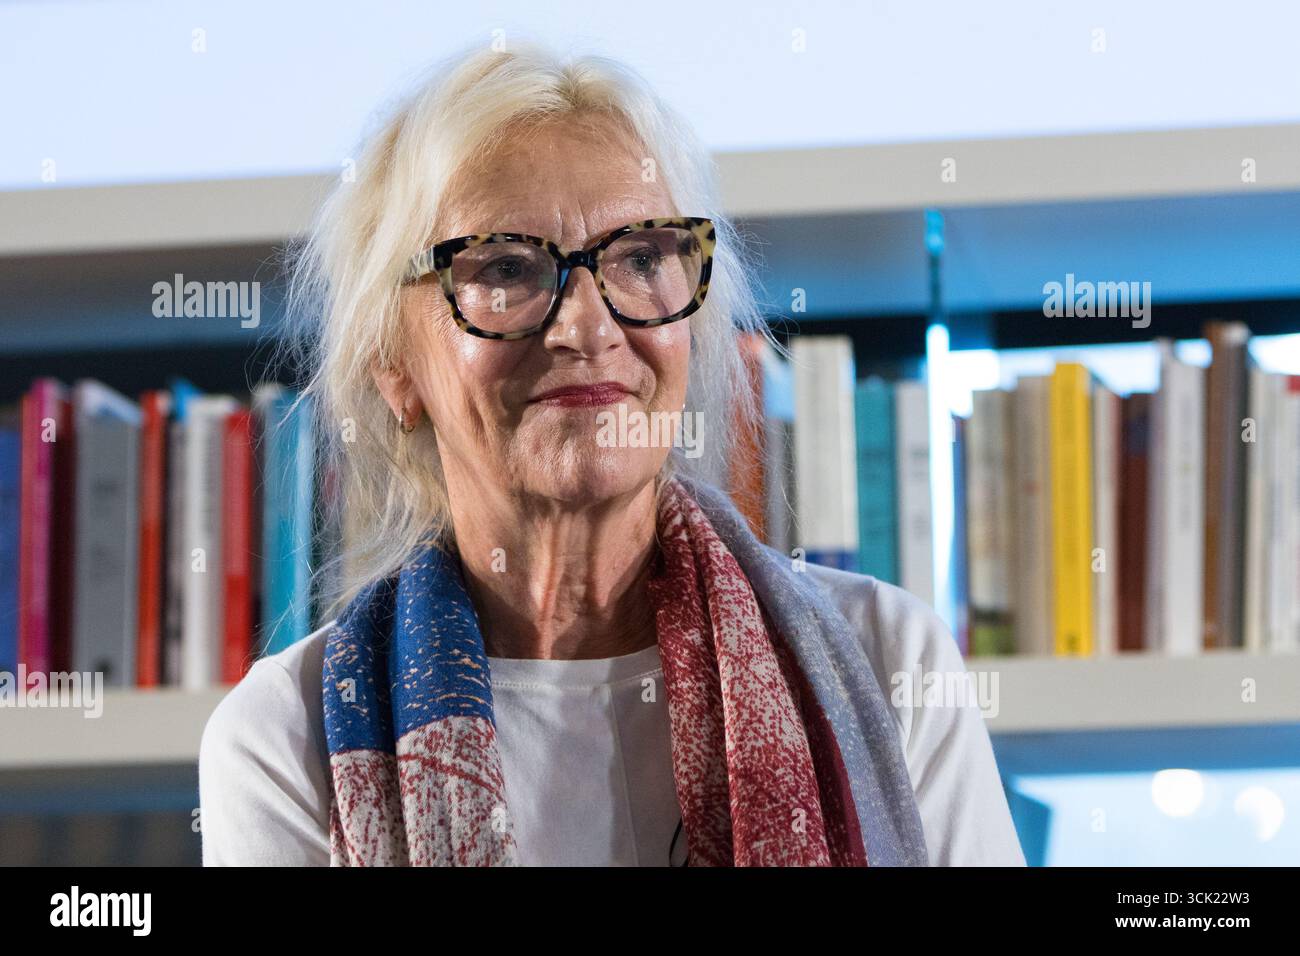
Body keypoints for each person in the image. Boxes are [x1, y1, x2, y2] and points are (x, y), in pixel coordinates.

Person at [199, 40, 1025, 867]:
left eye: (639, 258)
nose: (587, 326)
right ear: (394, 368)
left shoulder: (885, 664)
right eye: (505, 267)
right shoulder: (289, 737)